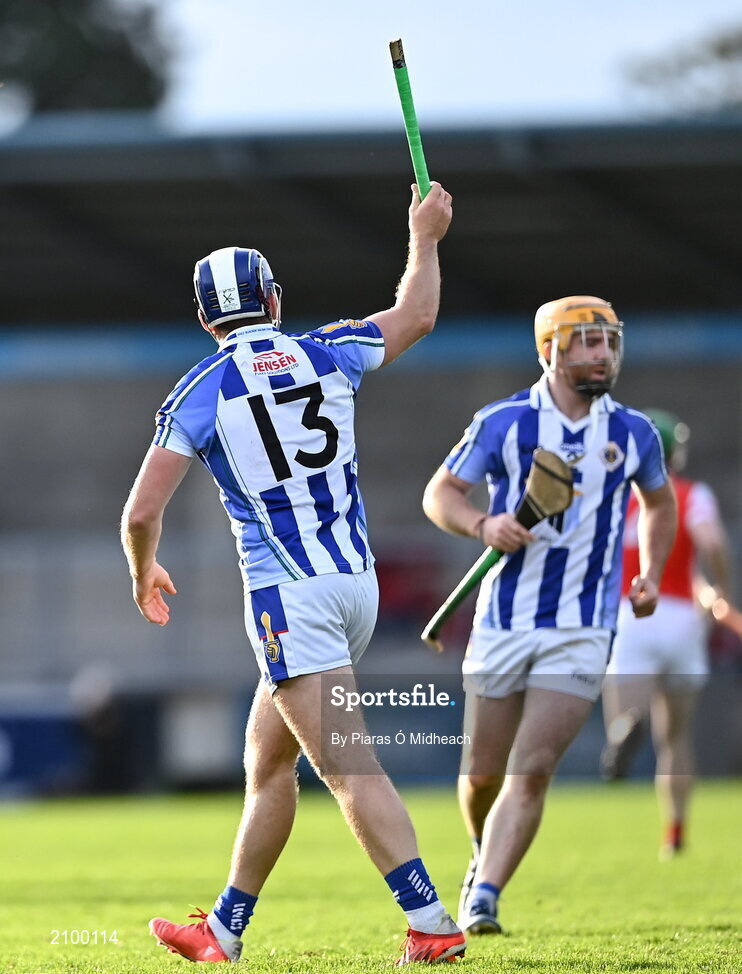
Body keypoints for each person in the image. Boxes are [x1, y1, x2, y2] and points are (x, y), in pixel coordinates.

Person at [120, 182, 466, 965]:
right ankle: (224, 930)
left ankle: (432, 921)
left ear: (207, 319)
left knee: (345, 764)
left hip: (289, 597)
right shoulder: (327, 348)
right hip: (355, 586)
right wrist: (426, 236)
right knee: (268, 761)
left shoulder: (199, 389)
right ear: (274, 300)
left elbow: (141, 514)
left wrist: (143, 572)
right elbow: (416, 314)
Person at [422, 296, 677, 936]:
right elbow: (441, 495)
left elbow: (659, 505)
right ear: (549, 351)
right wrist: (484, 523)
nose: (602, 354)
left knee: (531, 768)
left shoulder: (633, 432)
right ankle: (481, 854)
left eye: (609, 342)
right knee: (481, 775)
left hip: (584, 625)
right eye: (586, 342)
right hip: (503, 619)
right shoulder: (501, 423)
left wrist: (649, 571)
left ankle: (485, 894)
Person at [601, 408, 738, 859]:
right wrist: (717, 588)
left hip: (632, 612)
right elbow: (712, 542)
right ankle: (675, 833)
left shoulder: (620, 499)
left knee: (625, 705)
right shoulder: (690, 494)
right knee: (676, 738)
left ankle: (622, 728)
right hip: (681, 619)